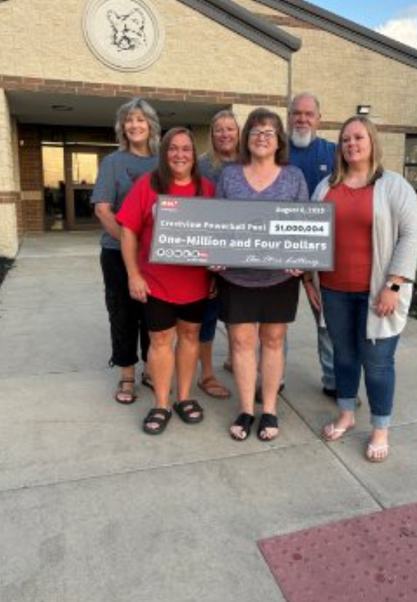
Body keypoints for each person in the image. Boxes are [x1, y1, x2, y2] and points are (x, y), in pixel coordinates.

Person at [305, 115, 417, 462]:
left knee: (378, 363)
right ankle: (346, 414)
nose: (352, 144)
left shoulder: (394, 186)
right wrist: (306, 278)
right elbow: (309, 234)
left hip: (378, 292)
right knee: (343, 355)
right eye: (346, 140)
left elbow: (411, 235)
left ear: (371, 142)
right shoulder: (326, 186)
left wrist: (394, 285)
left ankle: (380, 428)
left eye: (358, 138)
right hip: (333, 289)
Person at [214, 108, 310, 442]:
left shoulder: (294, 176)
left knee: (273, 341)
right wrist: (215, 255)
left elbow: (305, 228)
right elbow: (217, 223)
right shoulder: (229, 175)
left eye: (269, 132)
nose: (261, 138)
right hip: (236, 277)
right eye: (255, 132)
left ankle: (268, 408)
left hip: (279, 278)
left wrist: (303, 258)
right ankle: (245, 409)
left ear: (279, 140)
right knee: (241, 342)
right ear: (246, 139)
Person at [117, 127, 216, 434]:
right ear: (164, 153)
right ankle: (161, 403)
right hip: (156, 282)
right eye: (173, 148)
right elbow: (128, 230)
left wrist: (215, 273)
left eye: (186, 149)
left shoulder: (207, 189)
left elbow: (219, 233)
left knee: (189, 338)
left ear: (193, 155)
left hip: (196, 282)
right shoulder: (148, 185)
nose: (180, 154)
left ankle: (184, 398)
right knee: (160, 341)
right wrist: (133, 274)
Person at [91, 98, 160, 405]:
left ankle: (151, 368)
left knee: (154, 315)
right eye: (129, 120)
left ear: (151, 126)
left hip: (157, 257)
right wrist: (132, 246)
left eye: (141, 120)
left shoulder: (163, 163)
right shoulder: (113, 162)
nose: (134, 125)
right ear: (122, 127)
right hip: (117, 253)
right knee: (123, 314)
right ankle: (127, 374)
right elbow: (103, 210)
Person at [287, 92, 339, 399]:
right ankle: (272, 378)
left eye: (308, 114)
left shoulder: (334, 153)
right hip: (280, 250)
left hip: (320, 251)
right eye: (296, 114)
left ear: (319, 118)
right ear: (289, 117)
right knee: (274, 322)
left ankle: (333, 381)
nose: (302, 119)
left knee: (325, 320)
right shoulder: (276, 150)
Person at [194, 110, 240, 400]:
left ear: (239, 132)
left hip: (241, 250)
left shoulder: (250, 162)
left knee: (239, 313)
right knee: (208, 314)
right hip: (210, 249)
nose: (224, 134)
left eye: (230, 129)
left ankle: (235, 359)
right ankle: (206, 374)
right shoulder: (201, 166)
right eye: (218, 130)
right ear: (212, 134)